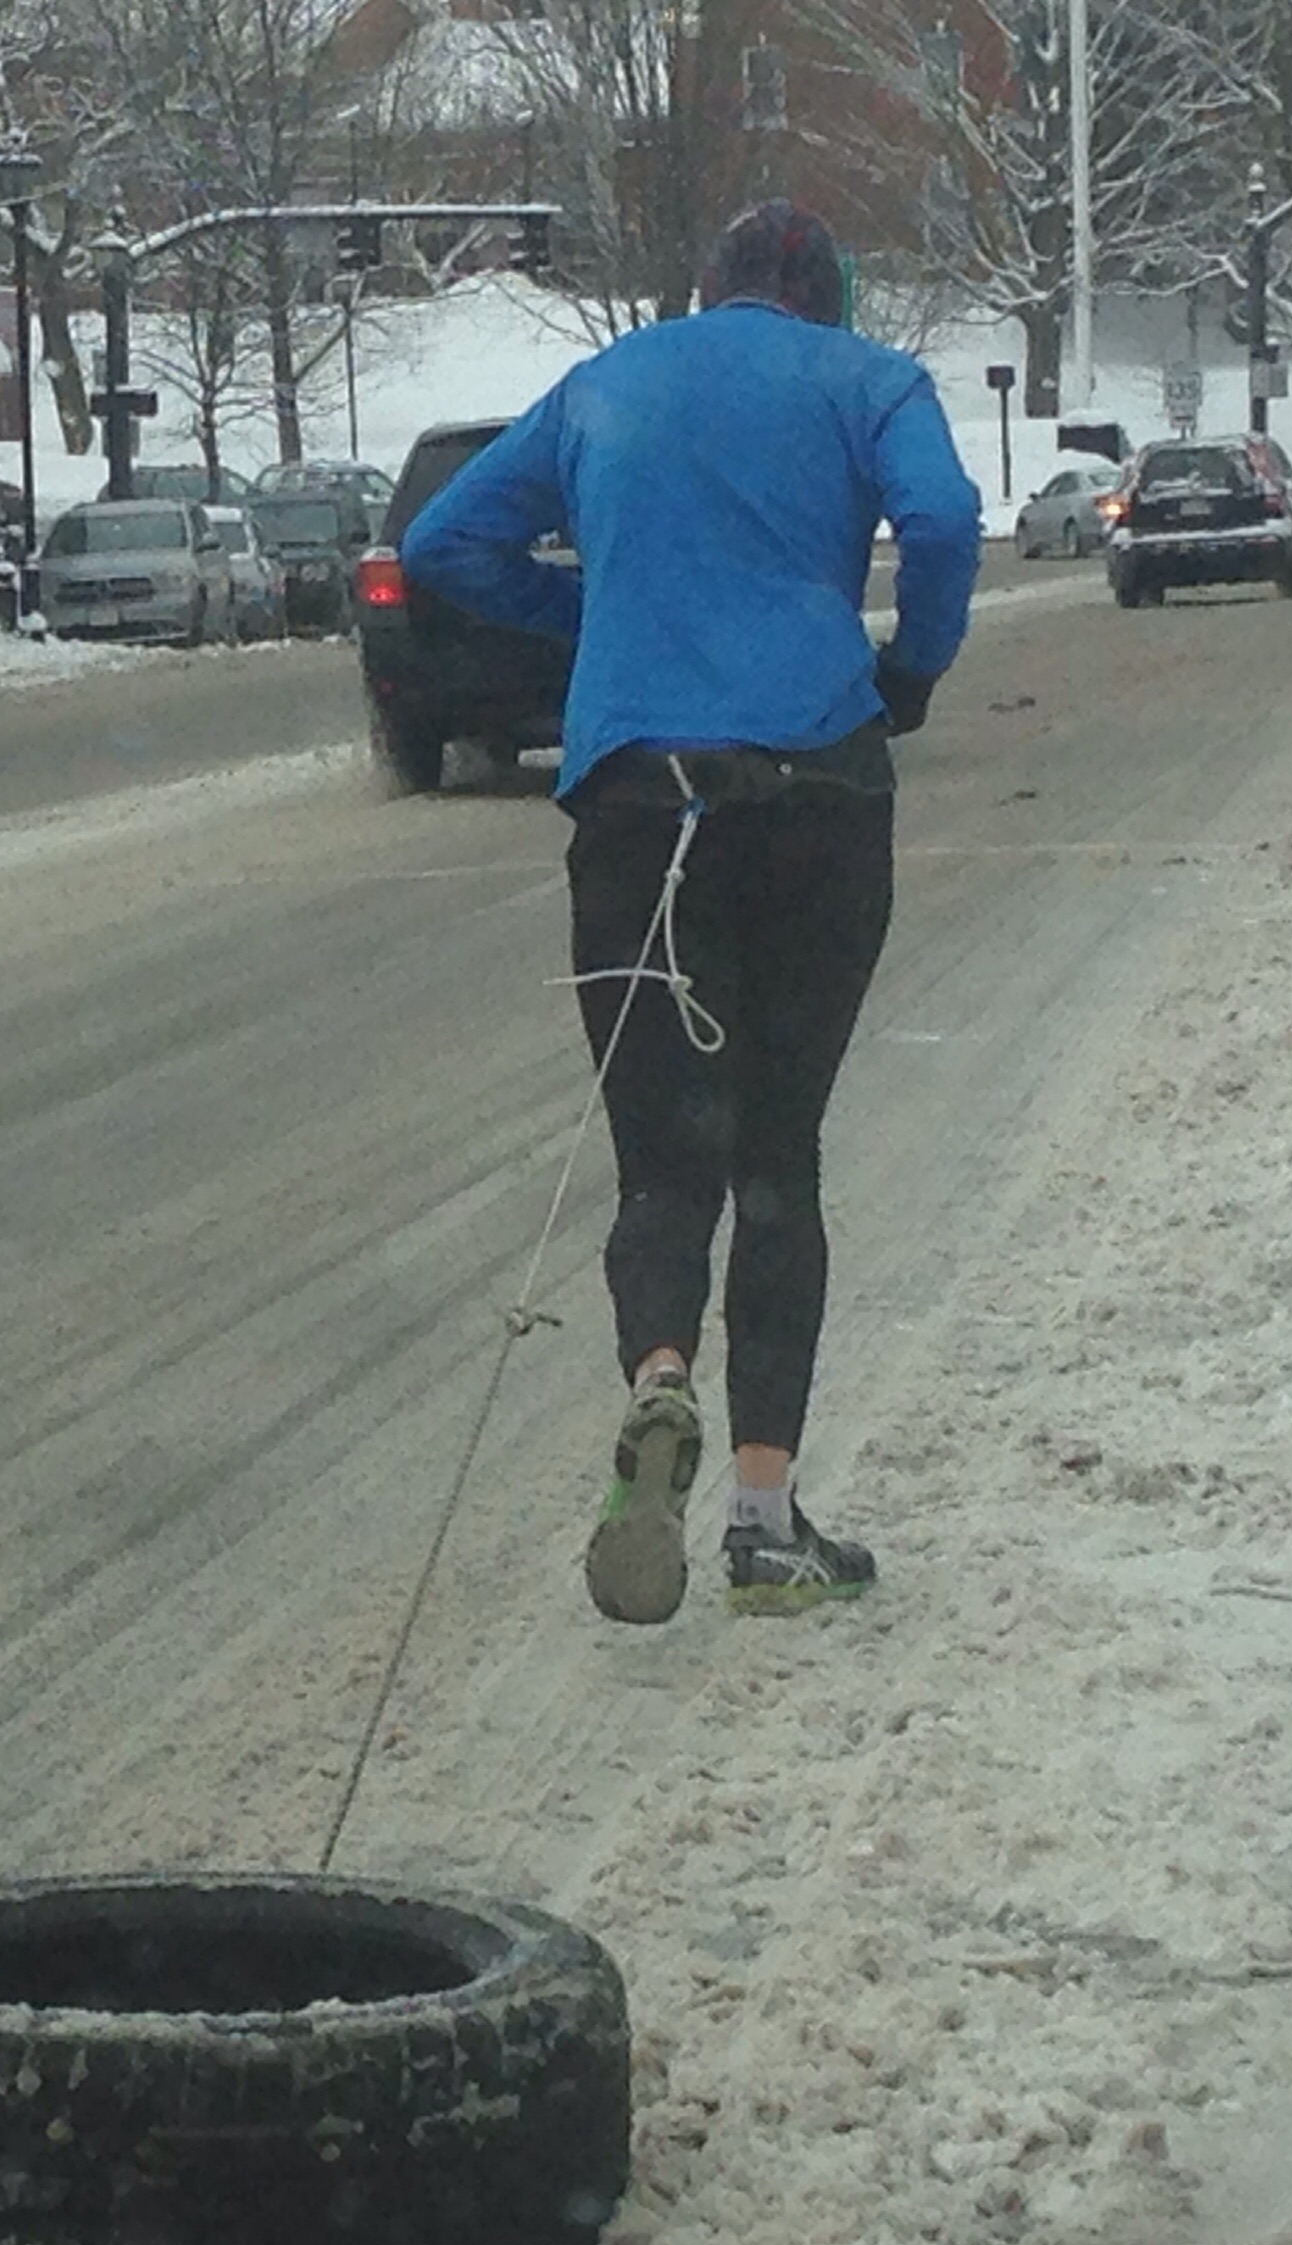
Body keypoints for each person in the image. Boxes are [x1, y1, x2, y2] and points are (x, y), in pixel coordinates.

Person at [399, 201, 983, 1623]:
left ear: (707, 288)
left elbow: (441, 544)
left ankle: (659, 1380)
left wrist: (594, 625)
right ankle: (767, 1520)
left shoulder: (606, 383)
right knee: (781, 1154)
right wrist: (910, 668)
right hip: (819, 798)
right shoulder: (870, 381)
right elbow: (949, 520)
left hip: (637, 803)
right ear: (821, 298)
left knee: (664, 1160)